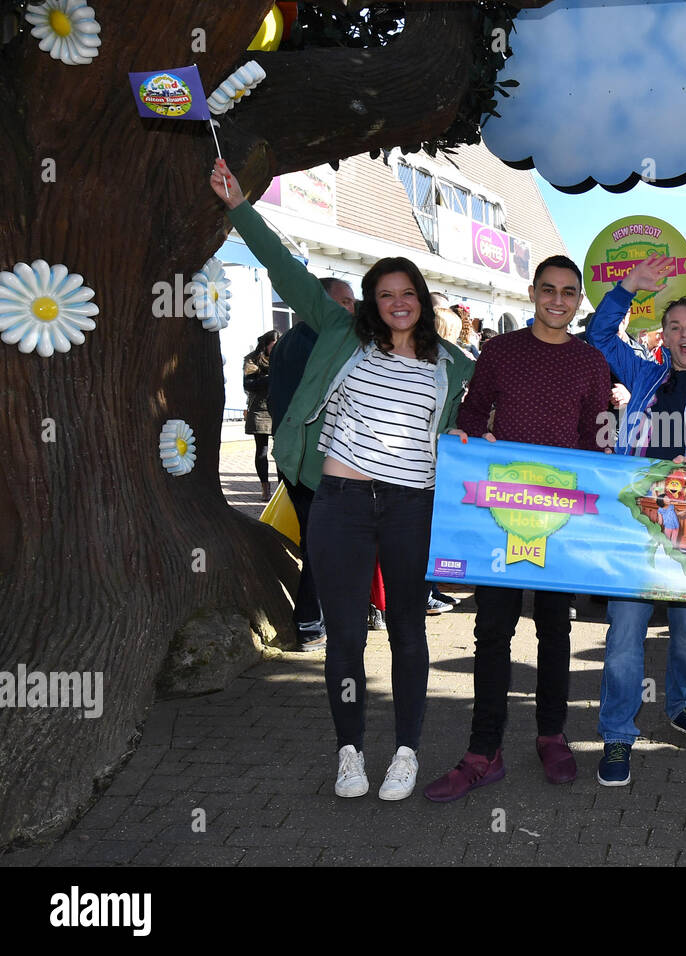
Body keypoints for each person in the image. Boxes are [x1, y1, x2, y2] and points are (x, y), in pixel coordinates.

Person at [210, 159, 475, 801]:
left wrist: (465, 438)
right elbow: (285, 269)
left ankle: (407, 751)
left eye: (406, 293)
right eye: (385, 295)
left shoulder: (453, 365)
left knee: (410, 630)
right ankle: (350, 752)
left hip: (413, 507)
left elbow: (467, 423)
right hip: (341, 503)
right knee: (347, 635)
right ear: (371, 303)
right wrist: (241, 207)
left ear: (421, 297)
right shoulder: (339, 332)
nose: (397, 303)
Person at [424, 255, 612, 801]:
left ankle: (552, 735)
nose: (558, 300)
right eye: (548, 289)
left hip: (560, 520)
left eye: (569, 292)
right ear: (532, 292)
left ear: (579, 300)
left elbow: (595, 441)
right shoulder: (500, 352)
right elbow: (472, 413)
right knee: (492, 632)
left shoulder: (590, 362)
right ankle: (484, 750)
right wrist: (464, 439)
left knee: (556, 631)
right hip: (500, 515)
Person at [585, 254, 686, 787]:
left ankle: (682, 706)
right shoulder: (644, 373)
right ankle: (617, 735)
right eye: (673, 326)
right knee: (625, 635)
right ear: (663, 337)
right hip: (635, 523)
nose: (682, 331)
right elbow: (600, 337)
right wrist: (626, 287)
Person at [268, 278, 354, 651]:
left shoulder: (295, 339)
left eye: (353, 302)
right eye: (345, 301)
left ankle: (318, 617)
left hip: (299, 457)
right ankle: (308, 622)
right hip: (312, 460)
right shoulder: (316, 343)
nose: (351, 309)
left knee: (321, 539)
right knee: (323, 541)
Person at [243, 329, 279, 501]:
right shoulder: (252, 359)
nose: (277, 348)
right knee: (262, 451)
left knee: (280, 450)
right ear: (266, 344)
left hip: (280, 407)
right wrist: (270, 377)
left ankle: (283, 489)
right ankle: (265, 487)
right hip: (260, 409)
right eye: (274, 345)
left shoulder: (283, 357)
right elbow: (249, 384)